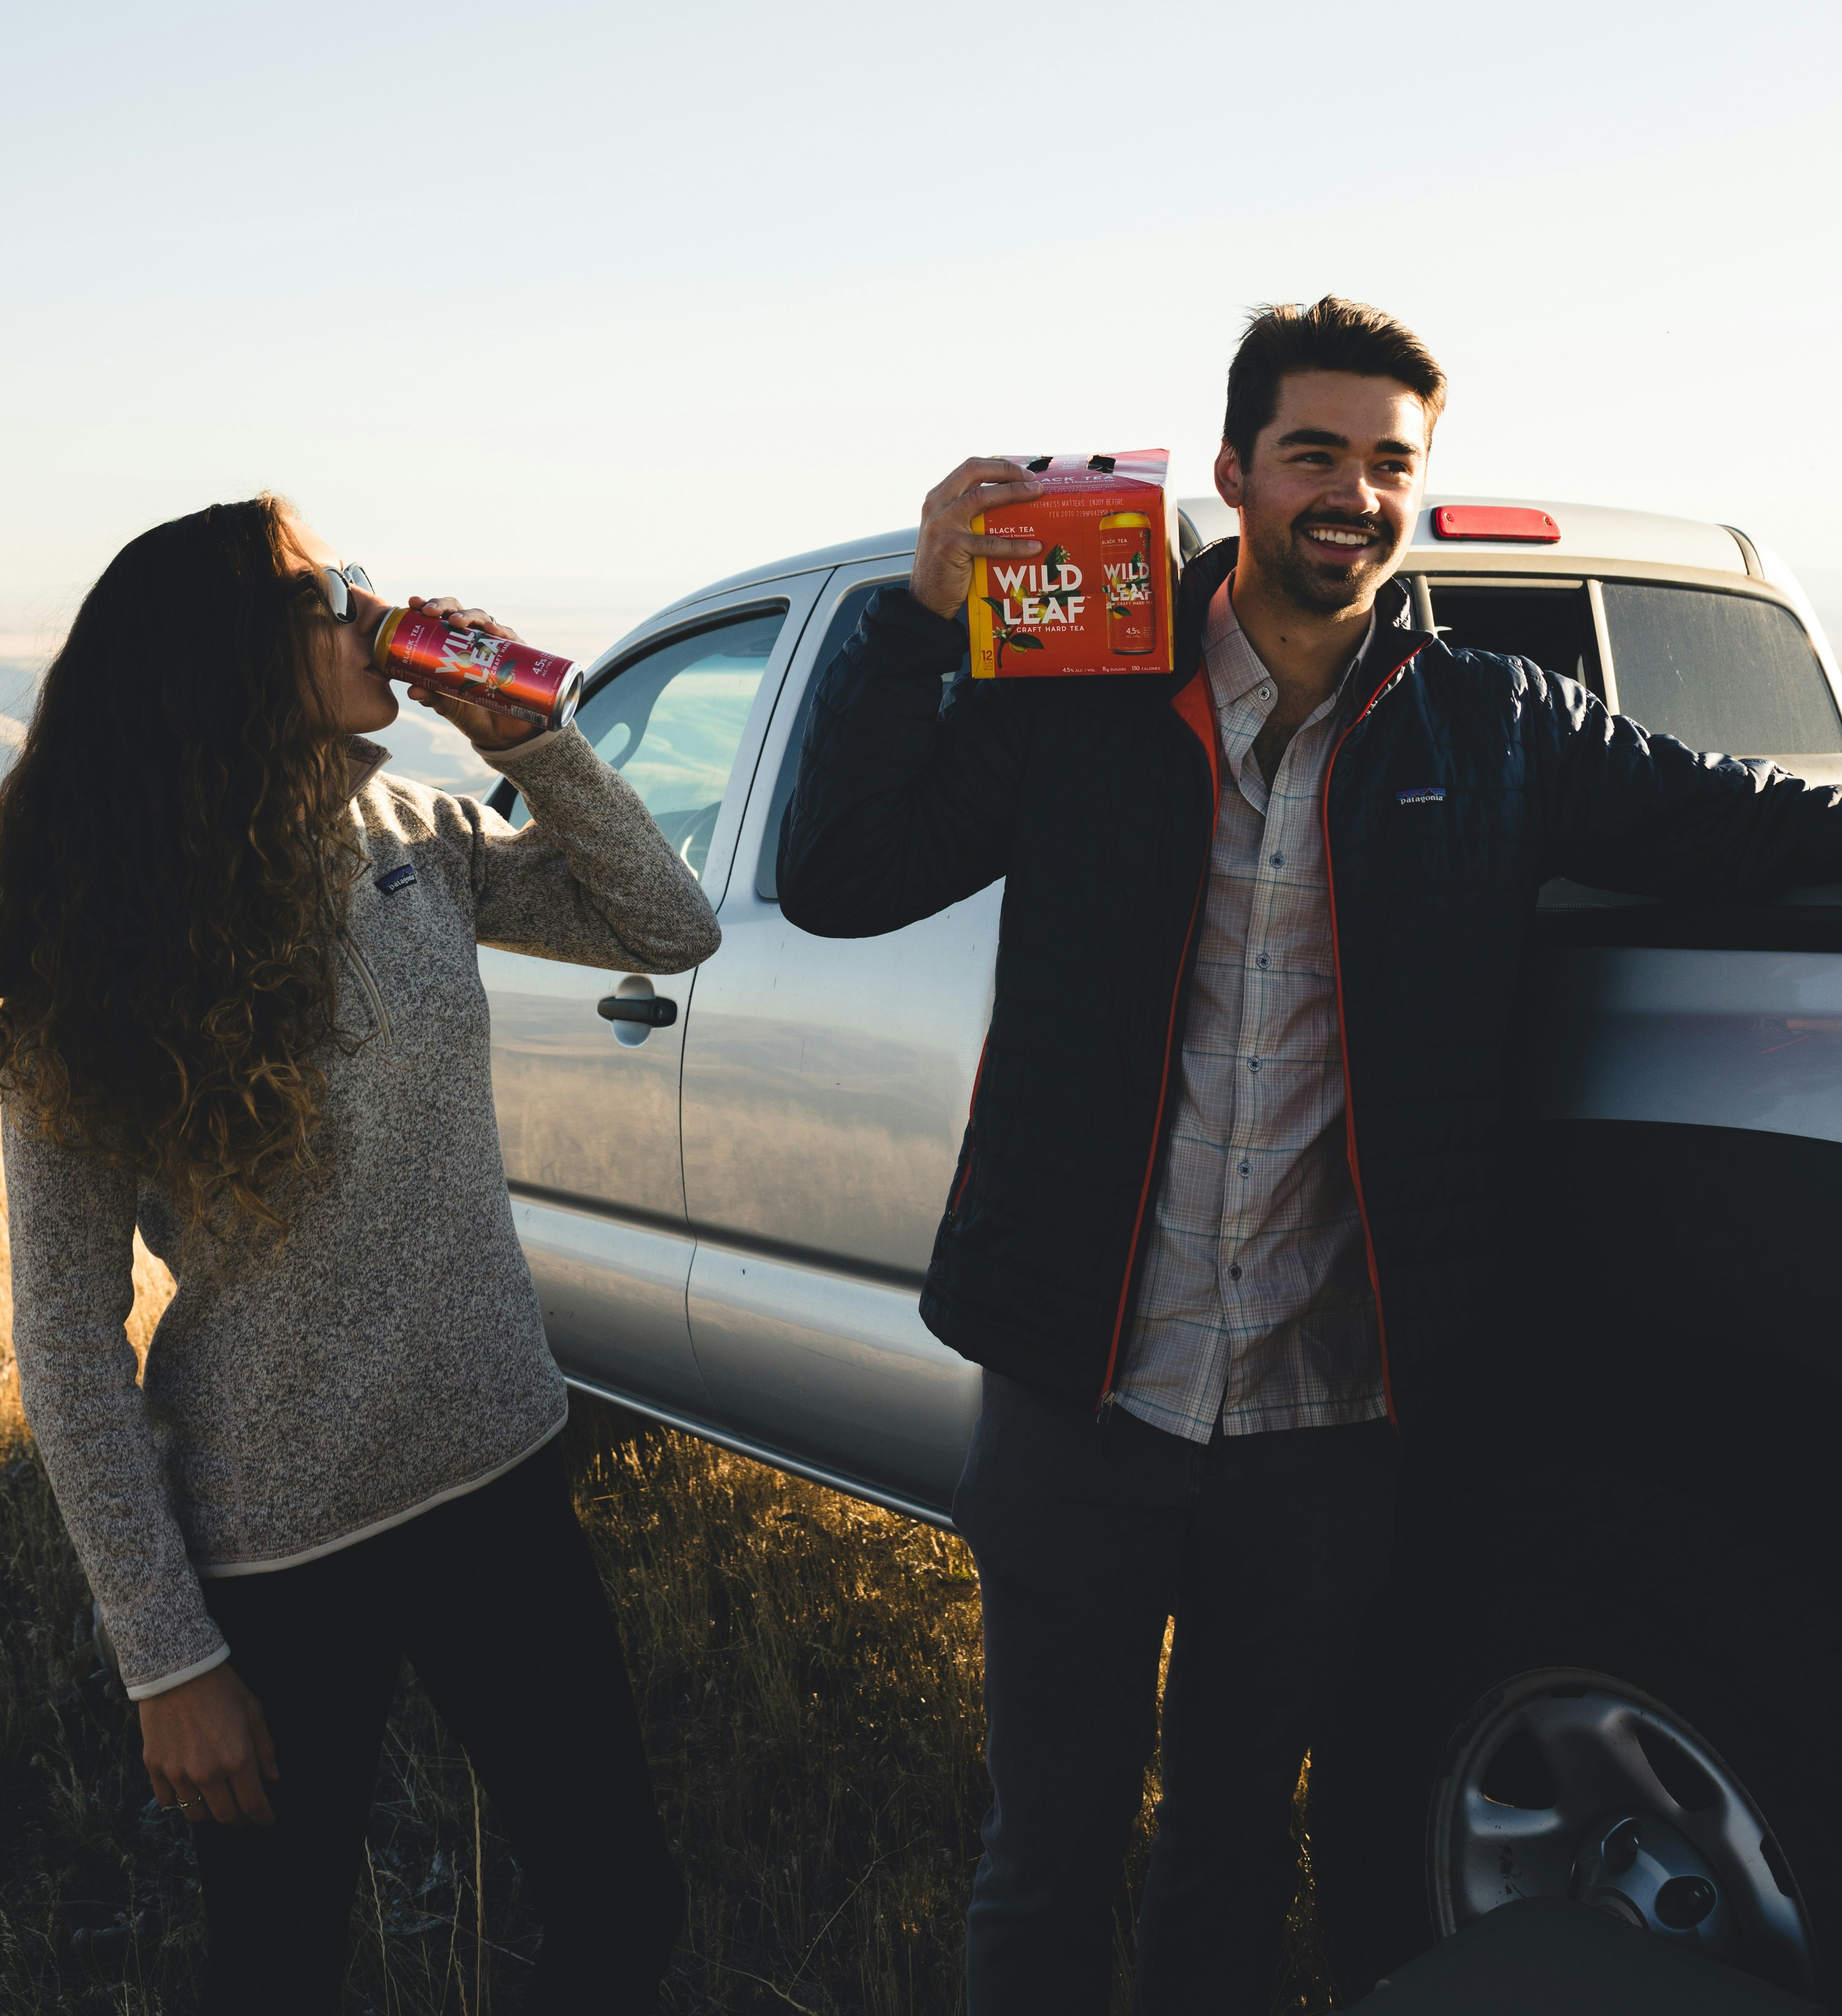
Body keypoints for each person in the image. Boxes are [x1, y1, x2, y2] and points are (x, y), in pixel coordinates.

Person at [775, 295, 1842, 2016]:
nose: (1353, 492)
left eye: (1389, 462)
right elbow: (840, 868)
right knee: (1043, 1854)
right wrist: (917, 610)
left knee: (1230, 1847)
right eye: (1316, 455)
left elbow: (1755, 819)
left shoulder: (1497, 724)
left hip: (1323, 1424)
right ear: (1234, 474)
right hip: (1086, 1395)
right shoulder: (1084, 703)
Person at [0, 497, 721, 2015]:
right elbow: (64, 1335)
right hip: (281, 1545)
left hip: (502, 1467)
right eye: (332, 592)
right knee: (279, 1965)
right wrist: (166, 1661)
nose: (375, 606)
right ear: (230, 658)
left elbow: (671, 925)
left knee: (623, 1905)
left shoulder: (423, 836)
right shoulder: (84, 933)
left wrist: (528, 740)